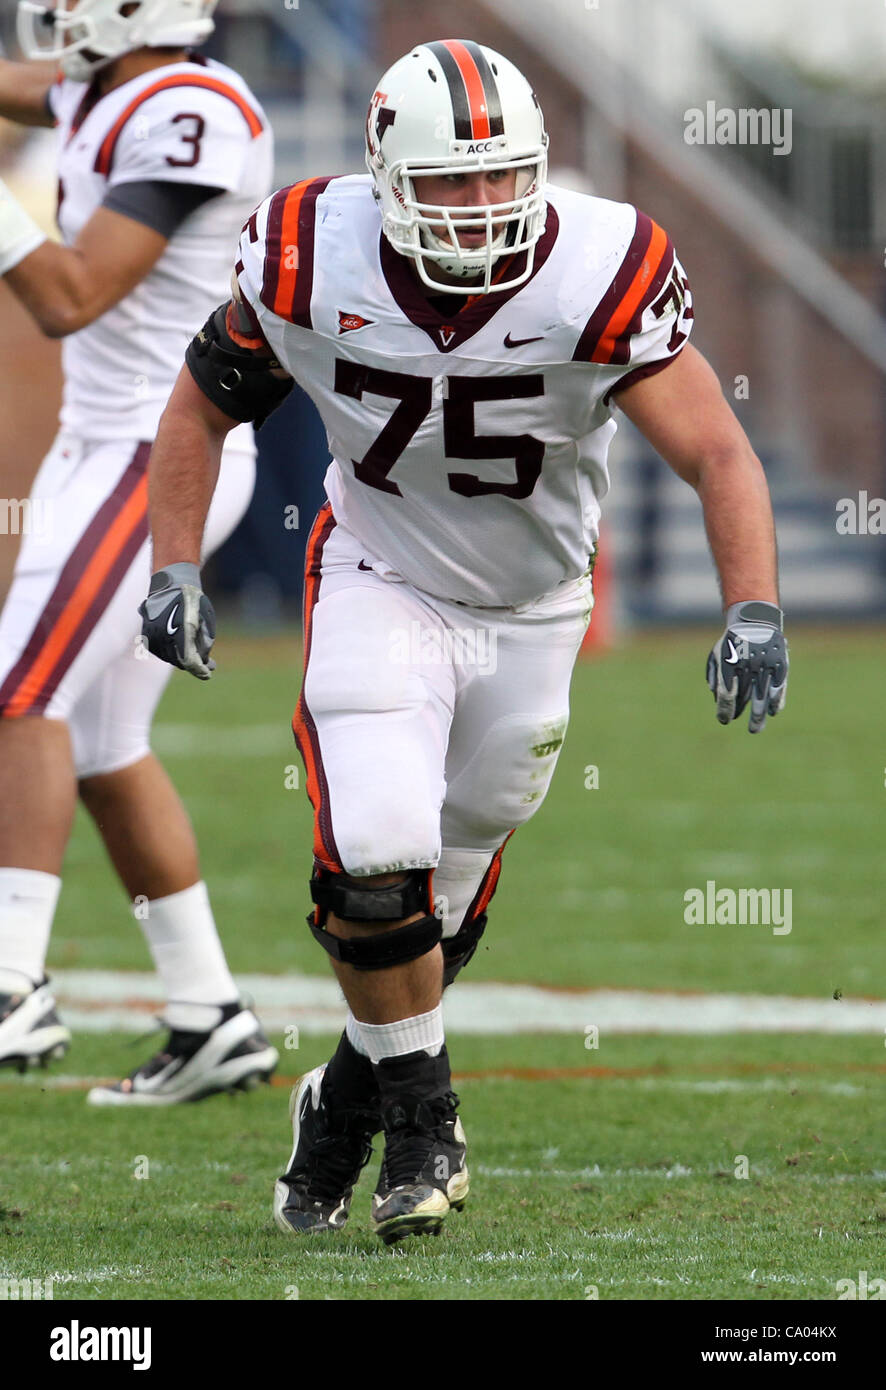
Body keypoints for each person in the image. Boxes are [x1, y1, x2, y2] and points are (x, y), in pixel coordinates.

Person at [140, 39, 788, 1238]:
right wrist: (173, 561)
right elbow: (202, 401)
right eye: (449, 183)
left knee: (438, 894)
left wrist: (750, 605)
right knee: (374, 848)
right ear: (386, 172)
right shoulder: (307, 250)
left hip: (538, 609)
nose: (481, 207)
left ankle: (344, 1097)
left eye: (503, 179)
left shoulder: (600, 265)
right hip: (379, 572)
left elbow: (714, 451)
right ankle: (424, 1125)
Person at [0, 0, 279, 1103]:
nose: (58, 11)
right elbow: (26, 83)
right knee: (106, 743)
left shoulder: (192, 109)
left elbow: (69, 296)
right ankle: (206, 1010)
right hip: (103, 446)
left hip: (158, 453)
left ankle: (12, 979)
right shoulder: (106, 82)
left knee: (19, 691)